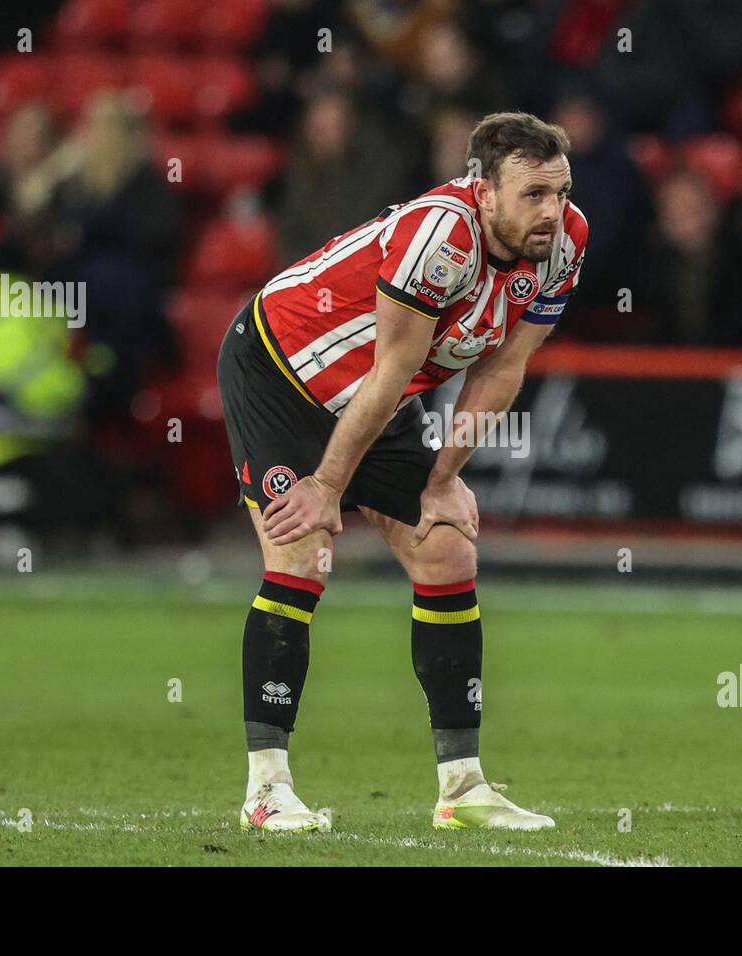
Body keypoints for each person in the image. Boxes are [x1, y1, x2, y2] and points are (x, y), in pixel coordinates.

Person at [217, 111, 587, 832]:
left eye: (561, 191)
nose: (553, 211)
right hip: (281, 371)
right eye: (533, 194)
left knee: (446, 546)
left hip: (379, 395)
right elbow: (390, 369)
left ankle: (463, 786)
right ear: (482, 191)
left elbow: (505, 365)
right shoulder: (438, 236)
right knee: (303, 553)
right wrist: (325, 485)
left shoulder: (566, 240)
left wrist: (443, 477)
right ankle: (266, 790)